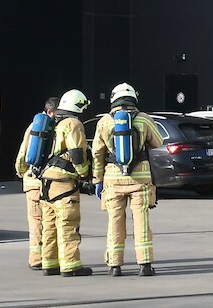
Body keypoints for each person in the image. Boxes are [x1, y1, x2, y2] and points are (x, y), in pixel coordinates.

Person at [91, 83, 164, 277]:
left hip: (112, 179)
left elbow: (97, 153)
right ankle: (145, 265)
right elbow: (158, 142)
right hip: (140, 180)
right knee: (141, 221)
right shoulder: (144, 119)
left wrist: (97, 179)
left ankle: (114, 266)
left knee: (115, 221)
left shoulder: (104, 122)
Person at [39, 89, 93, 277]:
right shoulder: (73, 124)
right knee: (68, 223)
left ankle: (49, 263)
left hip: (46, 181)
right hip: (63, 182)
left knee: (49, 225)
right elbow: (77, 153)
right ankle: (71, 266)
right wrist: (84, 174)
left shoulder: (53, 122)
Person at [14, 97, 57, 270]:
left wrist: (22, 172)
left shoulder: (34, 127)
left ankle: (36, 258)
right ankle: (50, 257)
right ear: (51, 111)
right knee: (51, 222)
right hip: (51, 182)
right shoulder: (59, 127)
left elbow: (23, 154)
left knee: (36, 222)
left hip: (32, 182)